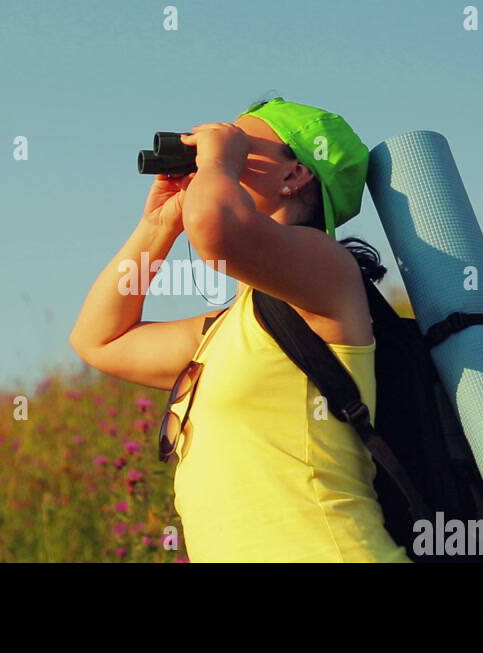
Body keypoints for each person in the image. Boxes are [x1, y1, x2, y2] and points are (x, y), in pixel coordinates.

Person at [69, 96, 412, 562]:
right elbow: (99, 340)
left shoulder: (328, 272)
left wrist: (214, 161)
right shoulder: (226, 328)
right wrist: (158, 226)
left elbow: (216, 229)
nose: (217, 150)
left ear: (295, 175)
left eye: (240, 143)